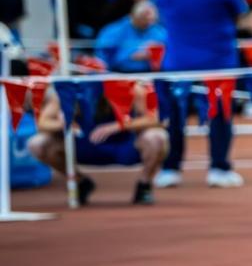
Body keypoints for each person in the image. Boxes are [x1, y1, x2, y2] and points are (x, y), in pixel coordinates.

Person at [152, 0, 249, 190]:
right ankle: (219, 167)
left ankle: (170, 168)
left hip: (177, 60)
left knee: (174, 117)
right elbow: (240, 14)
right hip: (218, 59)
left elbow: (163, 16)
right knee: (219, 114)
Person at [27, 79, 169, 206]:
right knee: (37, 144)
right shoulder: (70, 91)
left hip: (124, 145)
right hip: (84, 146)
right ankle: (80, 181)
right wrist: (62, 123)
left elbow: (156, 119)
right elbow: (42, 123)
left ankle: (144, 185)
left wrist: (119, 125)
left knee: (157, 137)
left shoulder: (131, 88)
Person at [95, 0, 167, 73]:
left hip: (151, 74)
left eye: (151, 19)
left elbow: (168, 52)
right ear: (132, 16)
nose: (148, 23)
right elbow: (102, 57)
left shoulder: (158, 31)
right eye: (143, 18)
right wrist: (131, 55)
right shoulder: (113, 31)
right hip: (121, 74)